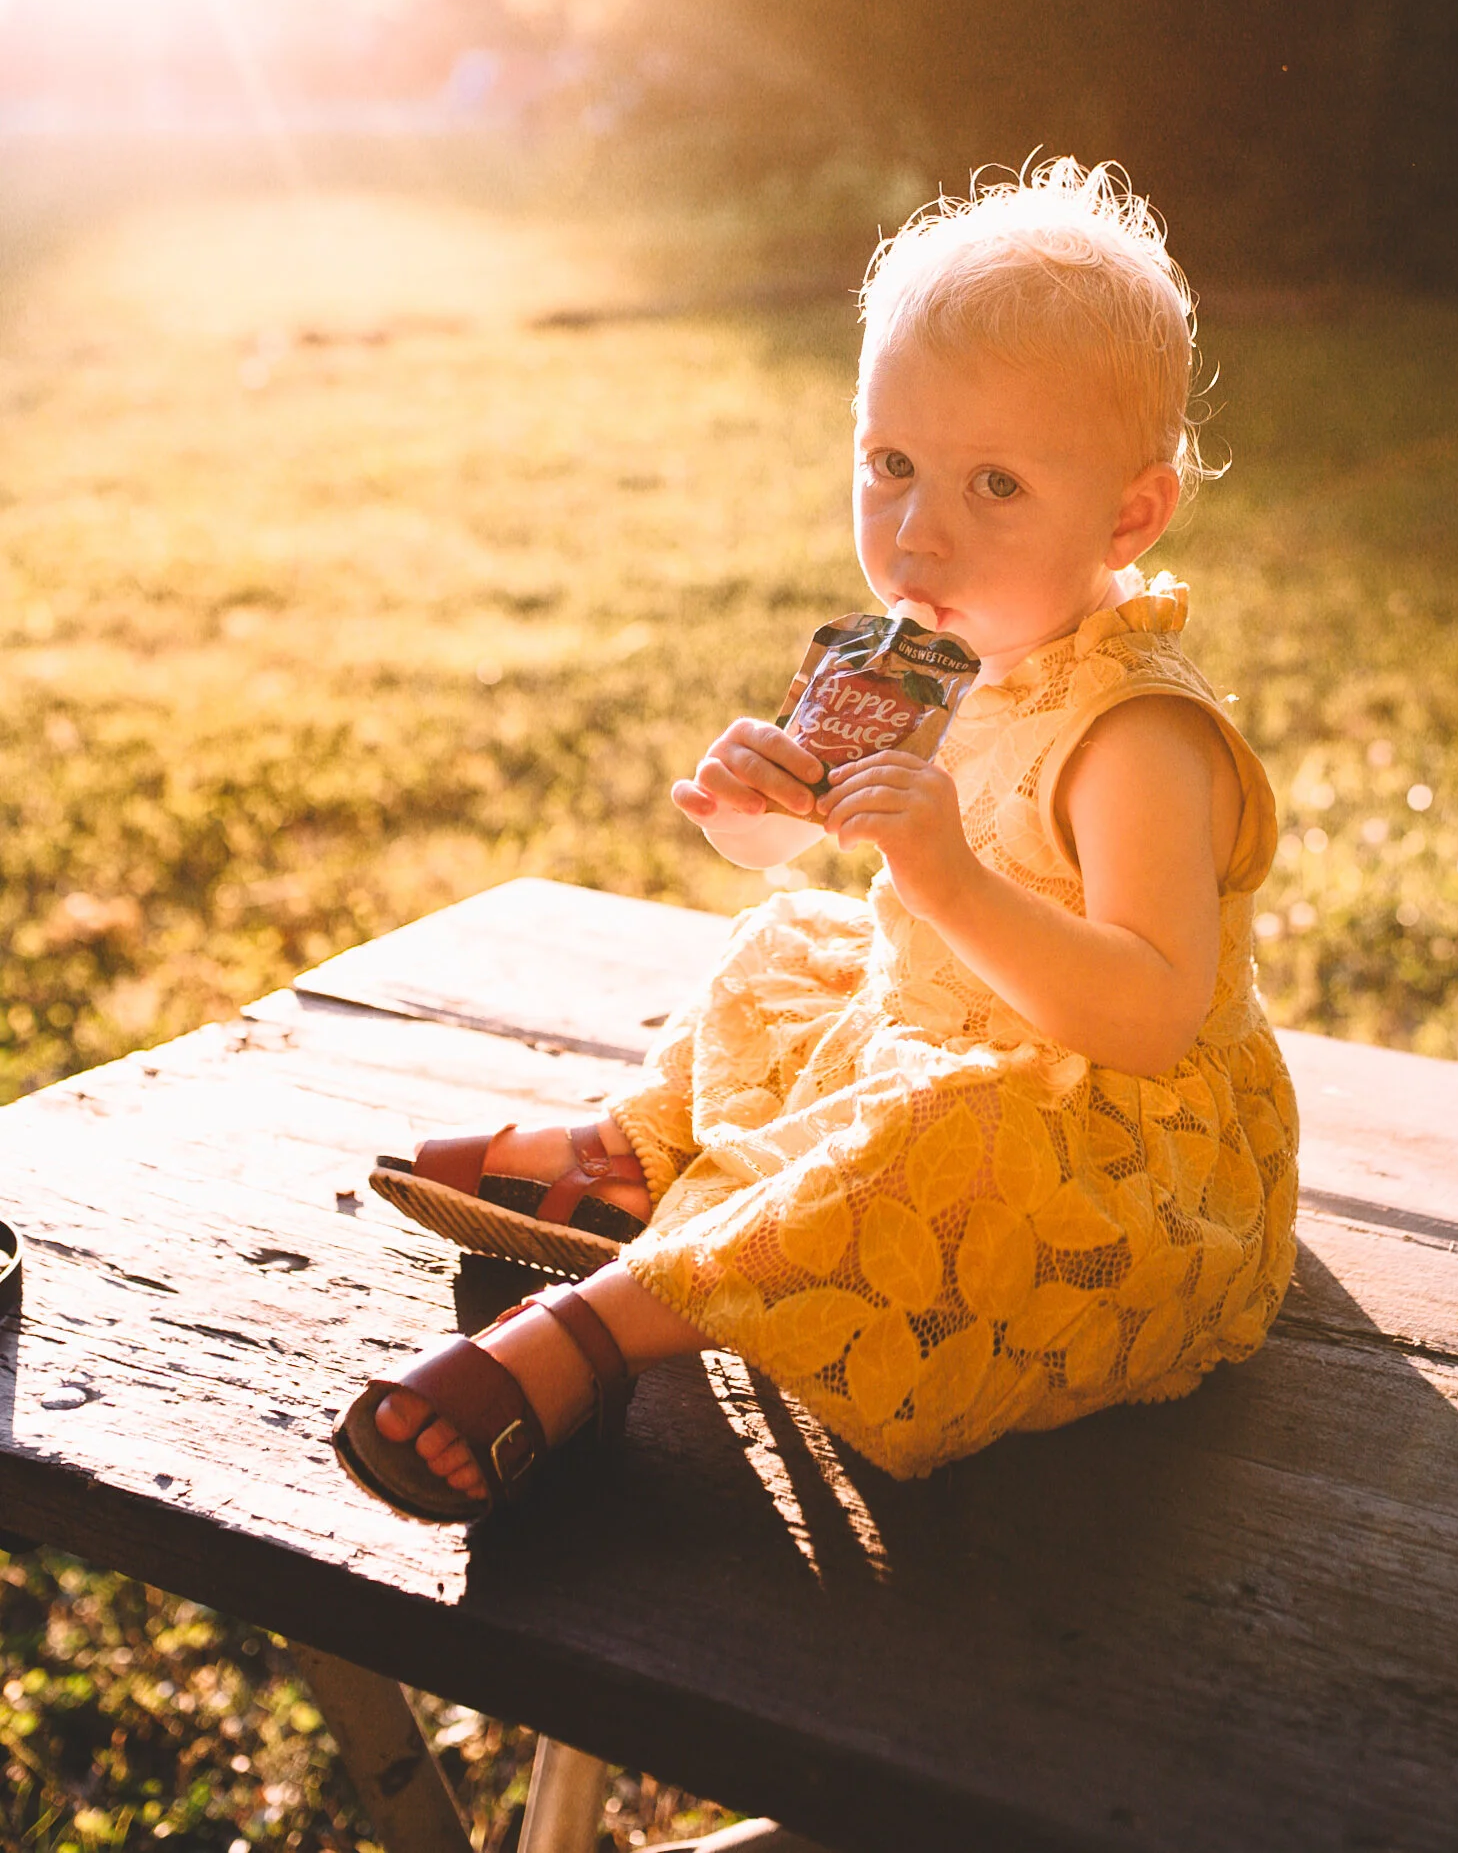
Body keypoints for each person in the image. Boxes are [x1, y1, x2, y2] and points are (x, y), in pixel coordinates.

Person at [334, 161, 1298, 1521]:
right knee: (791, 944)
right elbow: (788, 862)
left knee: (937, 1131)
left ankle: (603, 1329)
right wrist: (751, 807)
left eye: (995, 484)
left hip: (1111, 1162)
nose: (920, 529)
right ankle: (632, 1154)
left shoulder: (1135, 731)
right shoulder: (937, 659)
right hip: (935, 1040)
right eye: (891, 464)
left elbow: (1146, 1014)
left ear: (1129, 514)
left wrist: (949, 878)